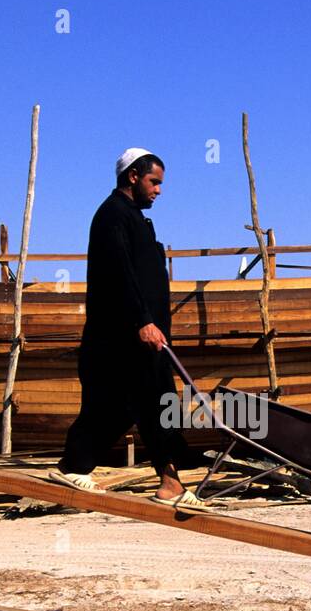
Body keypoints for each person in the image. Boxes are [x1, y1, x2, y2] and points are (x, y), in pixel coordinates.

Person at [49, 148, 208, 508]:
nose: (159, 190)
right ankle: (165, 482)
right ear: (133, 176)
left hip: (140, 337)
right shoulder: (113, 216)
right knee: (145, 404)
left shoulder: (134, 217)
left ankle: (83, 468)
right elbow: (118, 274)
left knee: (133, 407)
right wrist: (143, 322)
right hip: (125, 336)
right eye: (154, 182)